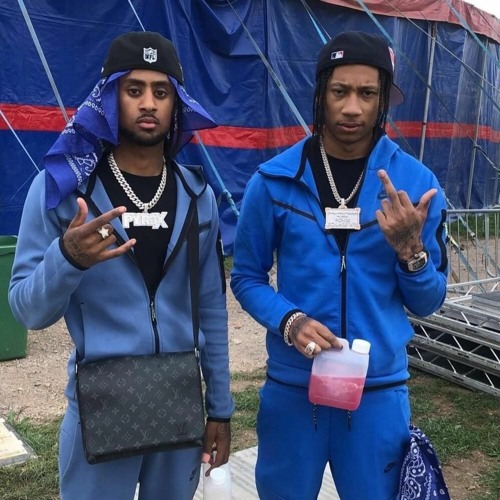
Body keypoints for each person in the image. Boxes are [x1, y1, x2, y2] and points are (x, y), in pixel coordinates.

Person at [9, 31, 234, 500]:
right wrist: (67, 258)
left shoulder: (198, 196)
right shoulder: (62, 191)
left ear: (177, 104)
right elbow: (27, 311)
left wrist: (220, 408)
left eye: (161, 91)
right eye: (134, 90)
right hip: (100, 403)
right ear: (109, 98)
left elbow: (212, 307)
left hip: (179, 402)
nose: (148, 103)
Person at [230, 31, 448, 499]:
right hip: (293, 391)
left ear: (383, 100)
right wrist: (289, 320)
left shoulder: (415, 186)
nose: (352, 108)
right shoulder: (274, 182)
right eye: (339, 91)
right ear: (320, 95)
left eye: (367, 94)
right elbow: (246, 277)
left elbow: (429, 302)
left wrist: (410, 252)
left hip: (377, 395)